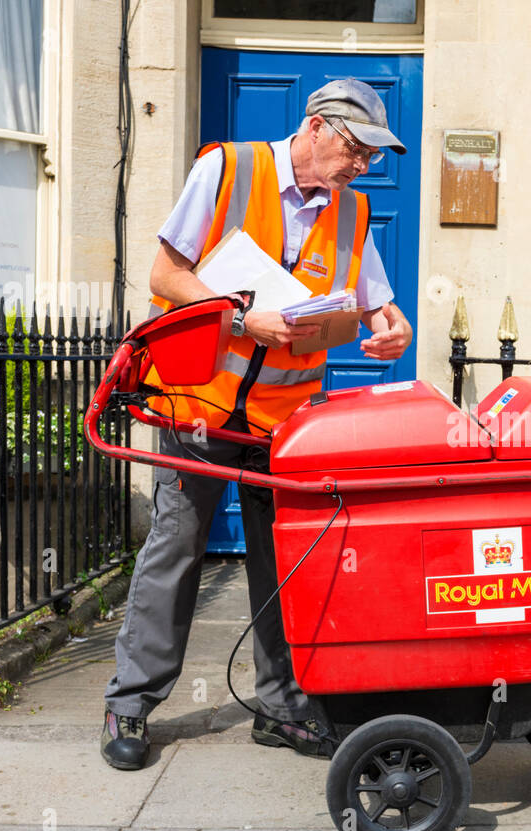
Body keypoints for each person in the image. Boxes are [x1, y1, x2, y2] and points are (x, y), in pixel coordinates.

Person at [100, 78, 413, 770]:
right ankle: (130, 703)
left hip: (282, 424)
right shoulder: (227, 168)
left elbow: (377, 305)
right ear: (318, 128)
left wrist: (391, 327)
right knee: (176, 552)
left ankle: (282, 708)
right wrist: (242, 319)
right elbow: (166, 275)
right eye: (358, 151)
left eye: (371, 158)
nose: (364, 167)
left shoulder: (353, 213)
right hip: (198, 407)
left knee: (283, 568)